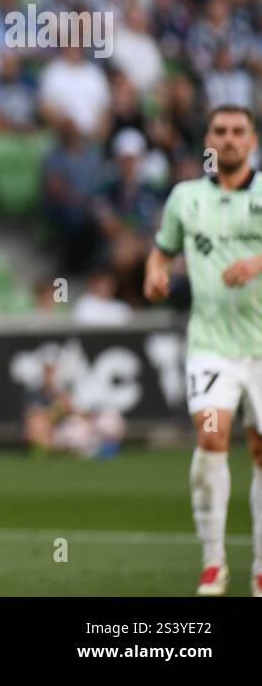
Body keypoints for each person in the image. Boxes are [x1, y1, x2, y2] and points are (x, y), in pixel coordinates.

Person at [144, 105, 262, 597]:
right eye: (220, 131)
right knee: (211, 436)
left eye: (238, 131)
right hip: (211, 347)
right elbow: (163, 248)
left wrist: (257, 261)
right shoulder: (185, 198)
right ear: (208, 142)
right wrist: (155, 270)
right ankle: (213, 563)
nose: (229, 140)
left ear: (252, 141)